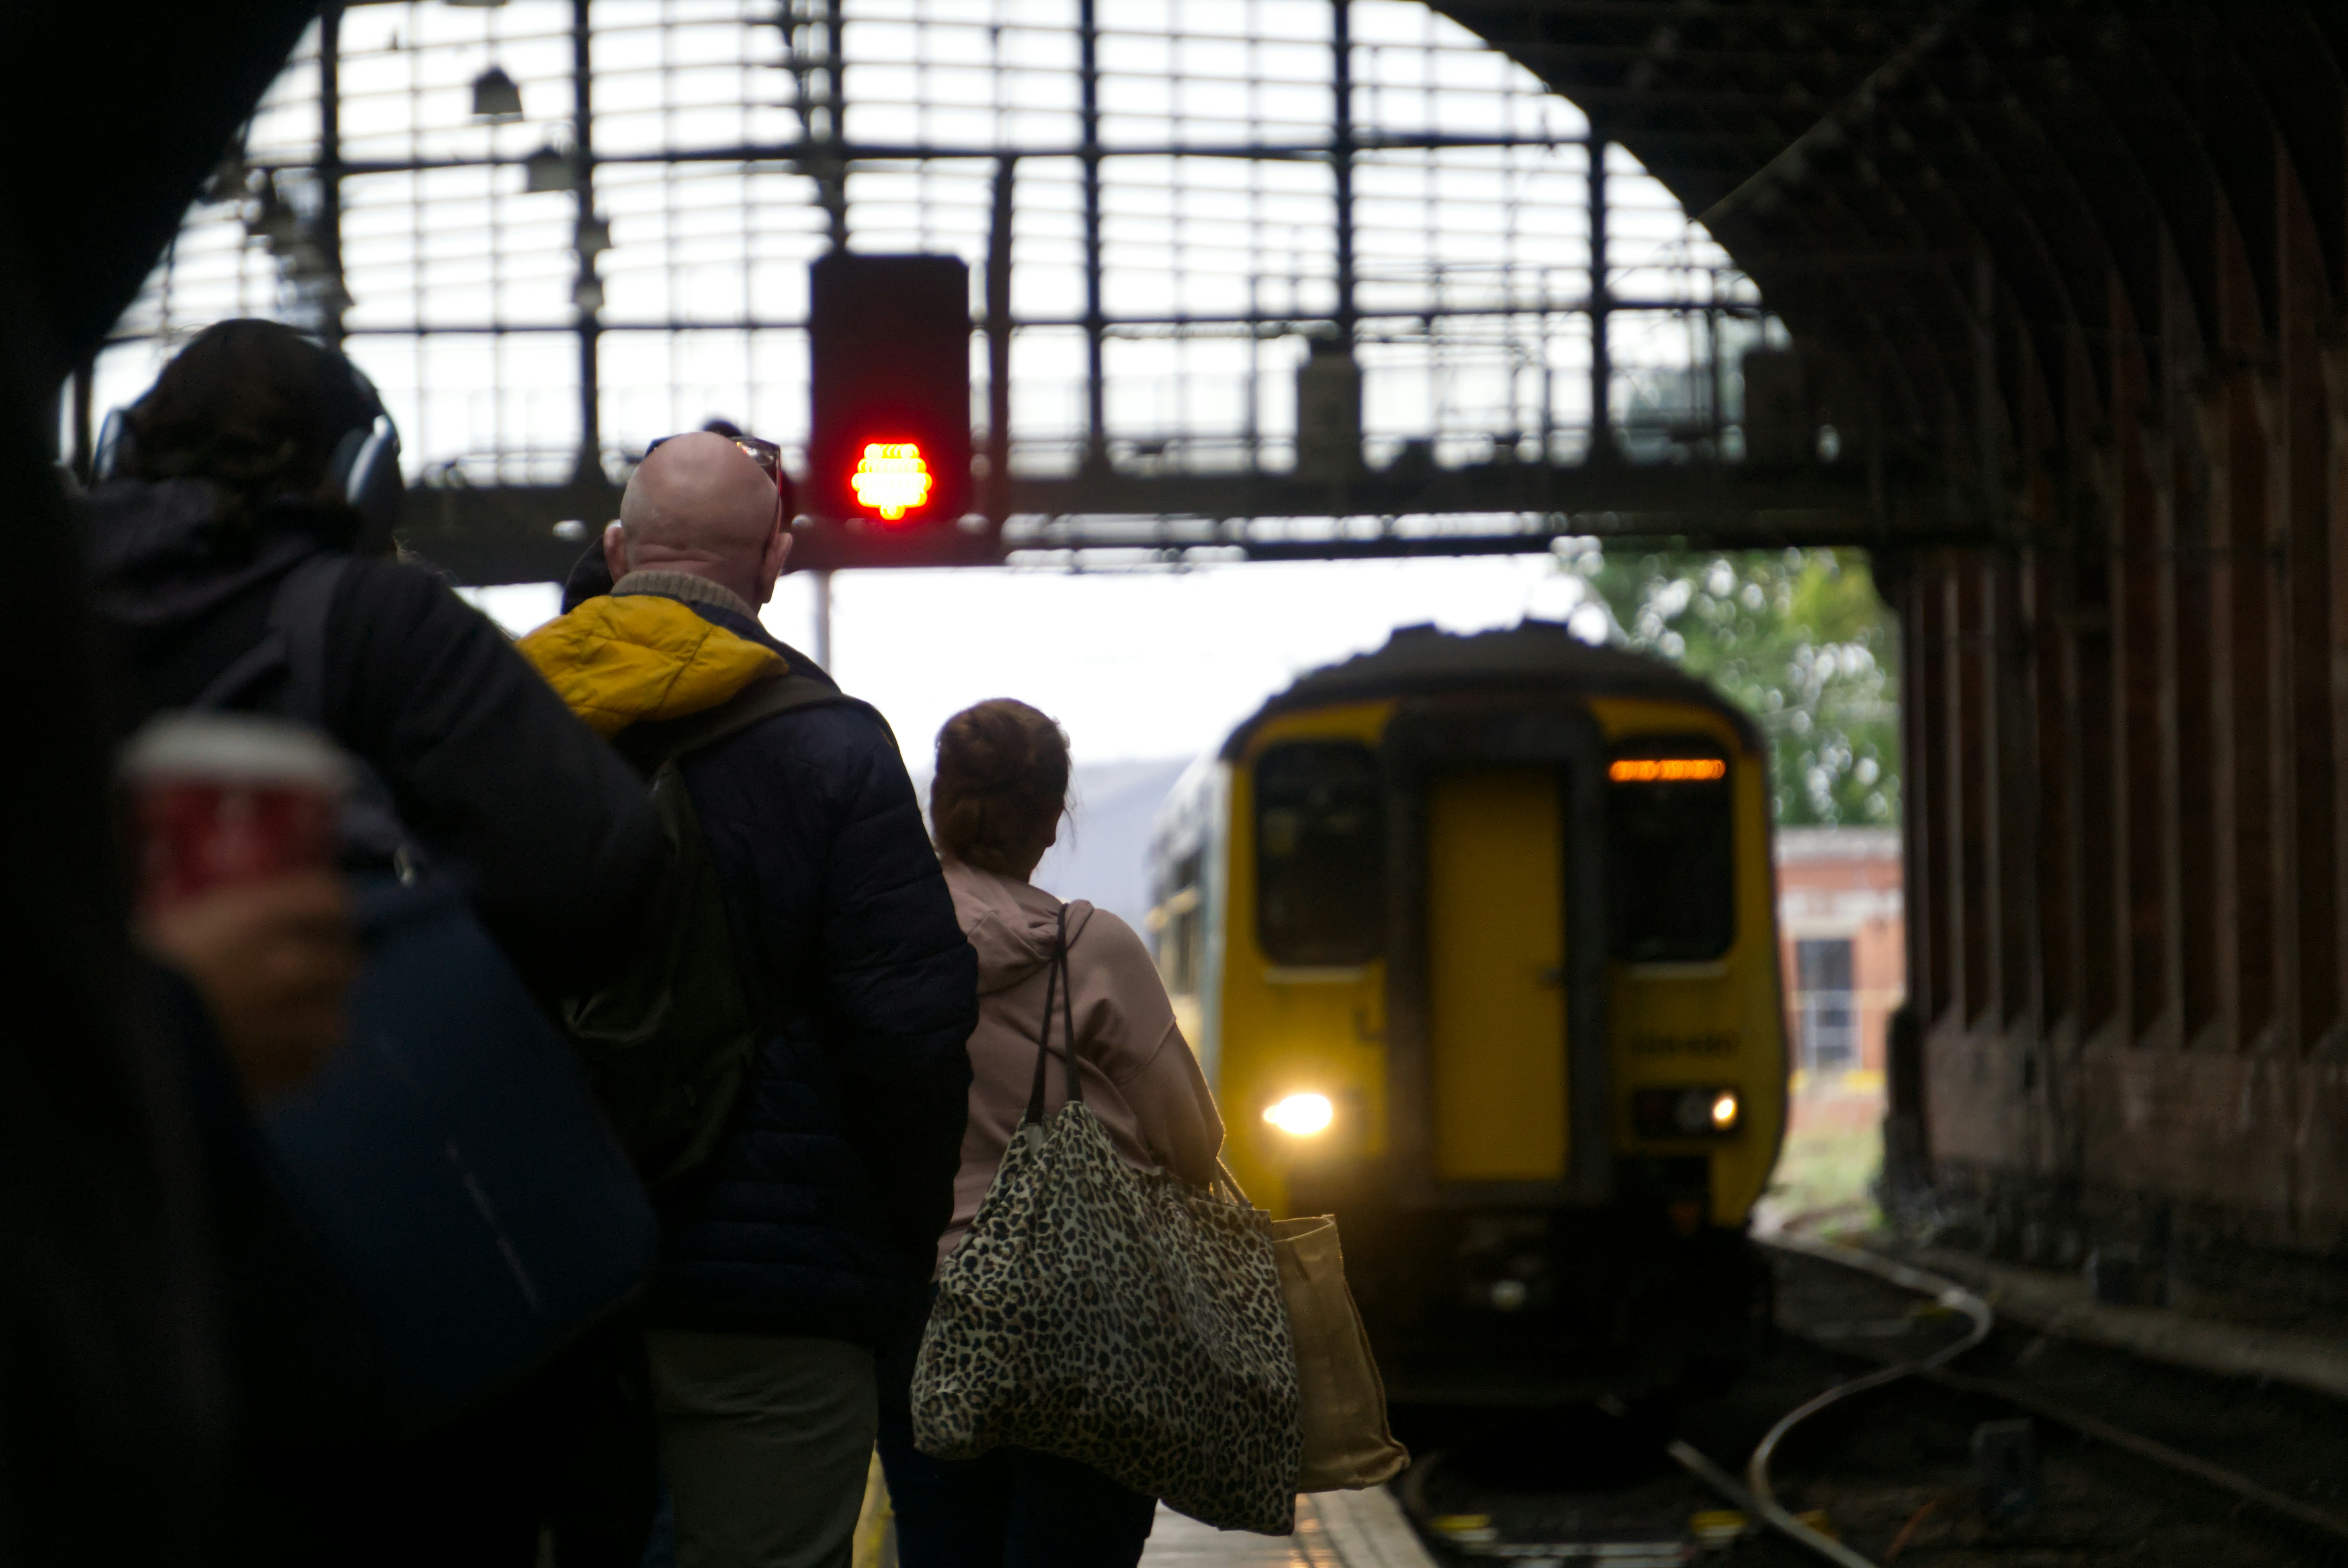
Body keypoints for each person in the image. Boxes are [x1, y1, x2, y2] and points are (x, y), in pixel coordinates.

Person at [77, 318, 673, 1568]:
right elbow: (602, 877)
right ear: (359, 476)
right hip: (375, 1294)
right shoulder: (372, 621)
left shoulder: (38, 636)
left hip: (92, 1290)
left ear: (121, 452)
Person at [518, 430, 977, 1568]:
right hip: (777, 1294)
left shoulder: (505, 726)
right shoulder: (833, 749)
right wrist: (896, 1241)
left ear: (618, 550)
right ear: (773, 561)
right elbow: (909, 1033)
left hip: (548, 1278)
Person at [879, 699, 1225, 1568]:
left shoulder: (879, 940)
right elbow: (1192, 1144)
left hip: (921, 1302)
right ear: (1049, 818)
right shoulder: (1094, 949)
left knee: (940, 1542)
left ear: (941, 804)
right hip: (1087, 1315)